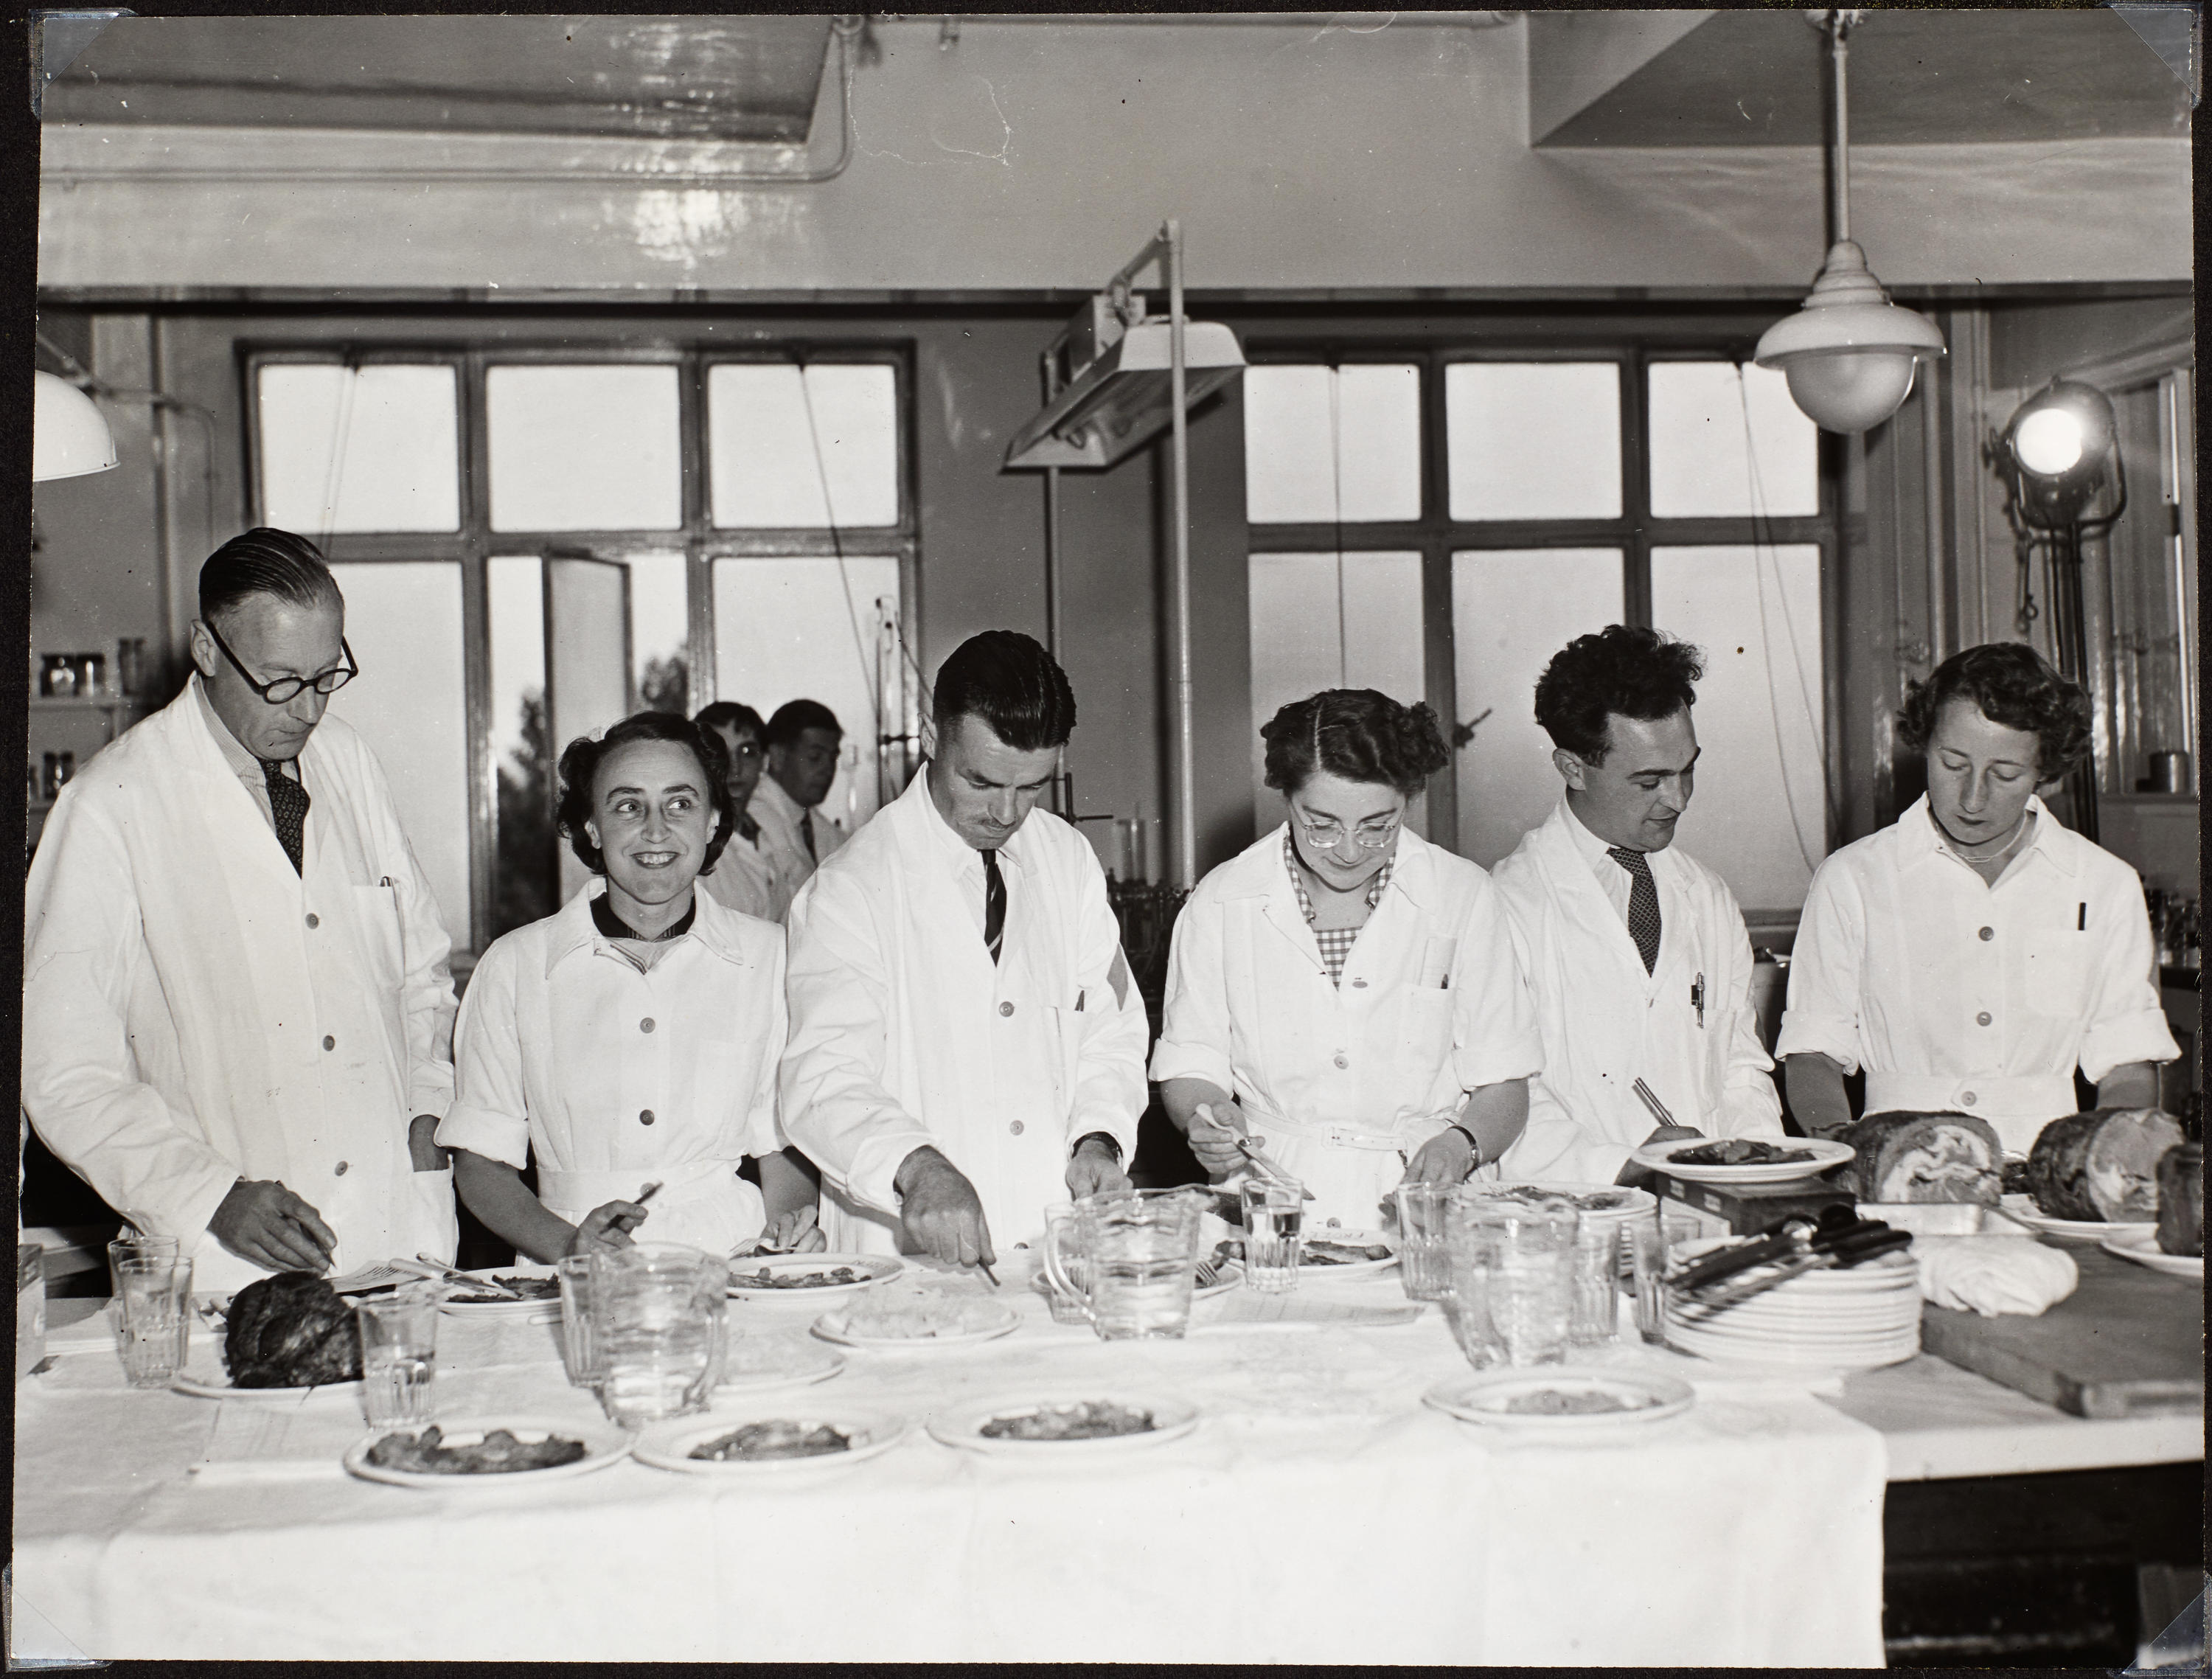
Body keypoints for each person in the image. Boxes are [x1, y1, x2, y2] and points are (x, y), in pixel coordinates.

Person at [21, 528, 460, 1291]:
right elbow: (62, 1069)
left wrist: (427, 1117)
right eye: (280, 680)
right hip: (227, 1261)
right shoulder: (110, 803)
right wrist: (209, 1194)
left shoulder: (348, 761)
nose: (309, 709)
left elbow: (421, 973)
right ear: (207, 648)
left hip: (396, 1233)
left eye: (327, 676)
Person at [779, 631, 1145, 1263]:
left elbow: (1109, 1032)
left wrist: (1098, 1139)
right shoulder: (850, 887)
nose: (1006, 812)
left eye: (1031, 787)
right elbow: (823, 1079)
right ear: (929, 736)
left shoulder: (1067, 859)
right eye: (980, 781)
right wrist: (918, 1167)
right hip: (904, 1246)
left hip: (1050, 1238)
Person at [439, 712, 824, 1261]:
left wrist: (783, 1241)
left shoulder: (771, 956)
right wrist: (570, 1248)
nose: (656, 830)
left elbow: (783, 1145)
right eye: (627, 806)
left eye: (680, 803)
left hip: (732, 1259)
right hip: (567, 1266)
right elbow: (480, 1162)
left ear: (713, 821)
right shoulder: (515, 965)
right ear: (592, 827)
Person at [1152, 690, 1542, 1229]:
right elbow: (1190, 1062)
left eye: (1379, 826)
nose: (1350, 850)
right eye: (1322, 824)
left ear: (1408, 801)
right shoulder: (1222, 900)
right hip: (1273, 1198)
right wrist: (1207, 1117)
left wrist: (1463, 1144)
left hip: (1425, 1202)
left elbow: (1505, 1081)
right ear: (1287, 797)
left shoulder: (1462, 895)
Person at [1778, 642, 2178, 1156]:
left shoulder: (2104, 884)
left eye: (2005, 774)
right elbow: (1813, 1054)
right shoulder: (1852, 878)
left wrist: (2102, 1167)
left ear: (2044, 771)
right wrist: (1841, 1150)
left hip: (2046, 1165)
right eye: (1953, 764)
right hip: (1892, 1162)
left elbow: (2128, 1065)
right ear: (1925, 745)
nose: (1972, 798)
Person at [1492, 625, 1784, 1184]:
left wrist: (1756, 1169)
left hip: (1710, 1203)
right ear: (1573, 767)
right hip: (1575, 1205)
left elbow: (1742, 1069)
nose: (1679, 799)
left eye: (1687, 769)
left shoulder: (1707, 895)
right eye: (1650, 781)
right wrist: (1621, 1166)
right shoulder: (1507, 904)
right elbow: (1505, 1096)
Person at [753, 698, 849, 921]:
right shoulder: (754, 817)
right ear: (778, 757)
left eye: (832, 758)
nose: (828, 769)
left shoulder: (820, 827)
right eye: (815, 757)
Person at [694, 700, 776, 922]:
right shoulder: (697, 845)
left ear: (765, 761)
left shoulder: (765, 831)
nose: (735, 767)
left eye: (747, 752)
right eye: (720, 752)